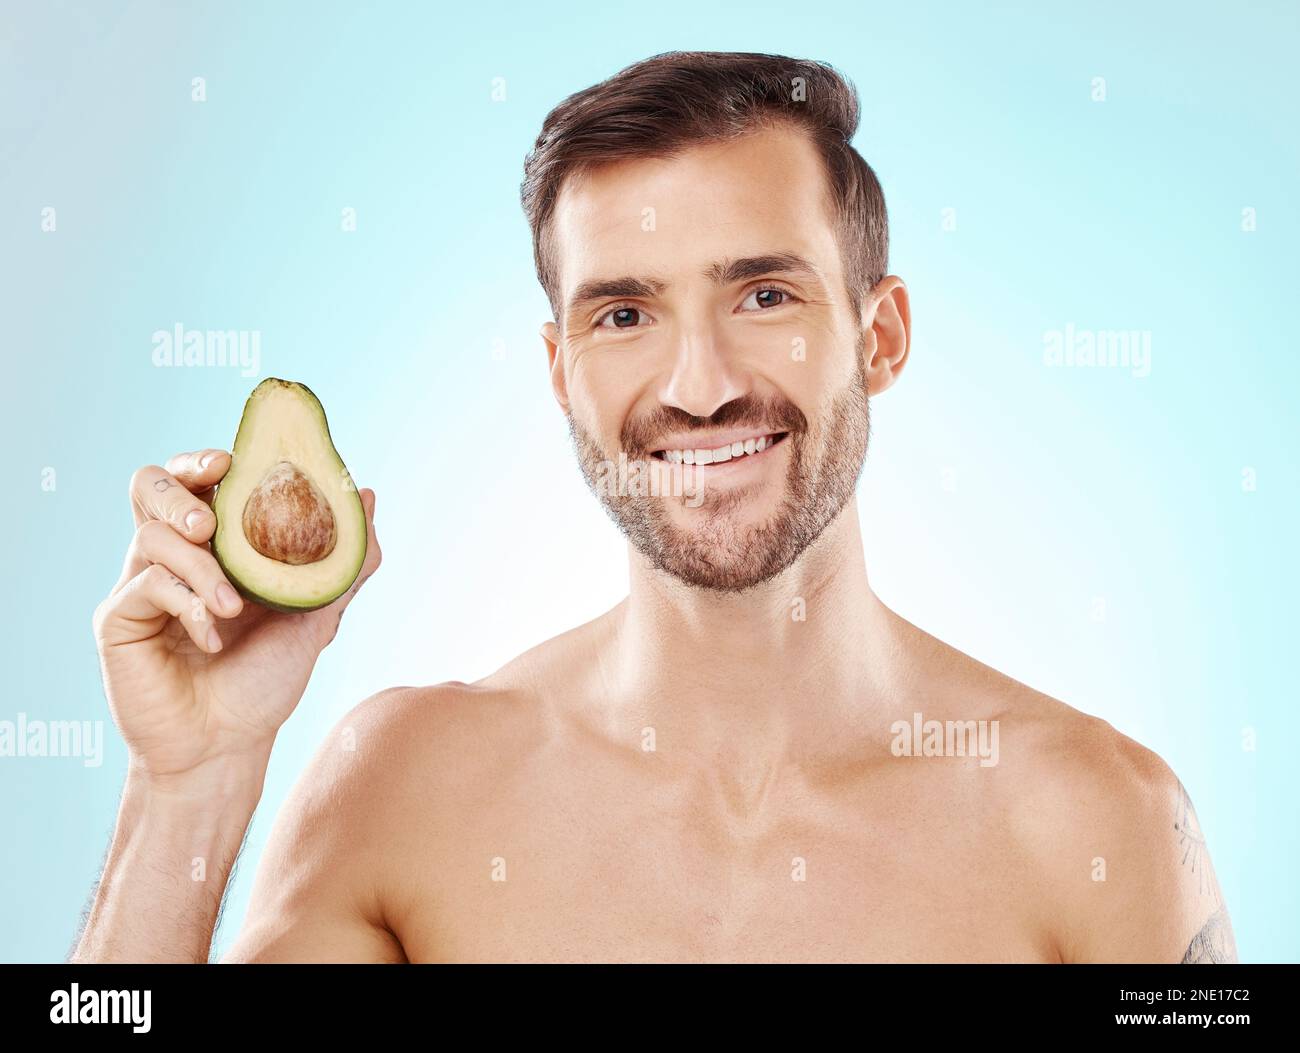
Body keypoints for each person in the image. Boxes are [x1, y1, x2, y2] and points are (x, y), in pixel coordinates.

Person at [72, 51, 1236, 964]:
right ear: (559, 369)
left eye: (764, 293)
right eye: (623, 315)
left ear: (878, 337)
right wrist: (189, 784)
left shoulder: (1096, 823)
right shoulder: (402, 788)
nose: (699, 385)